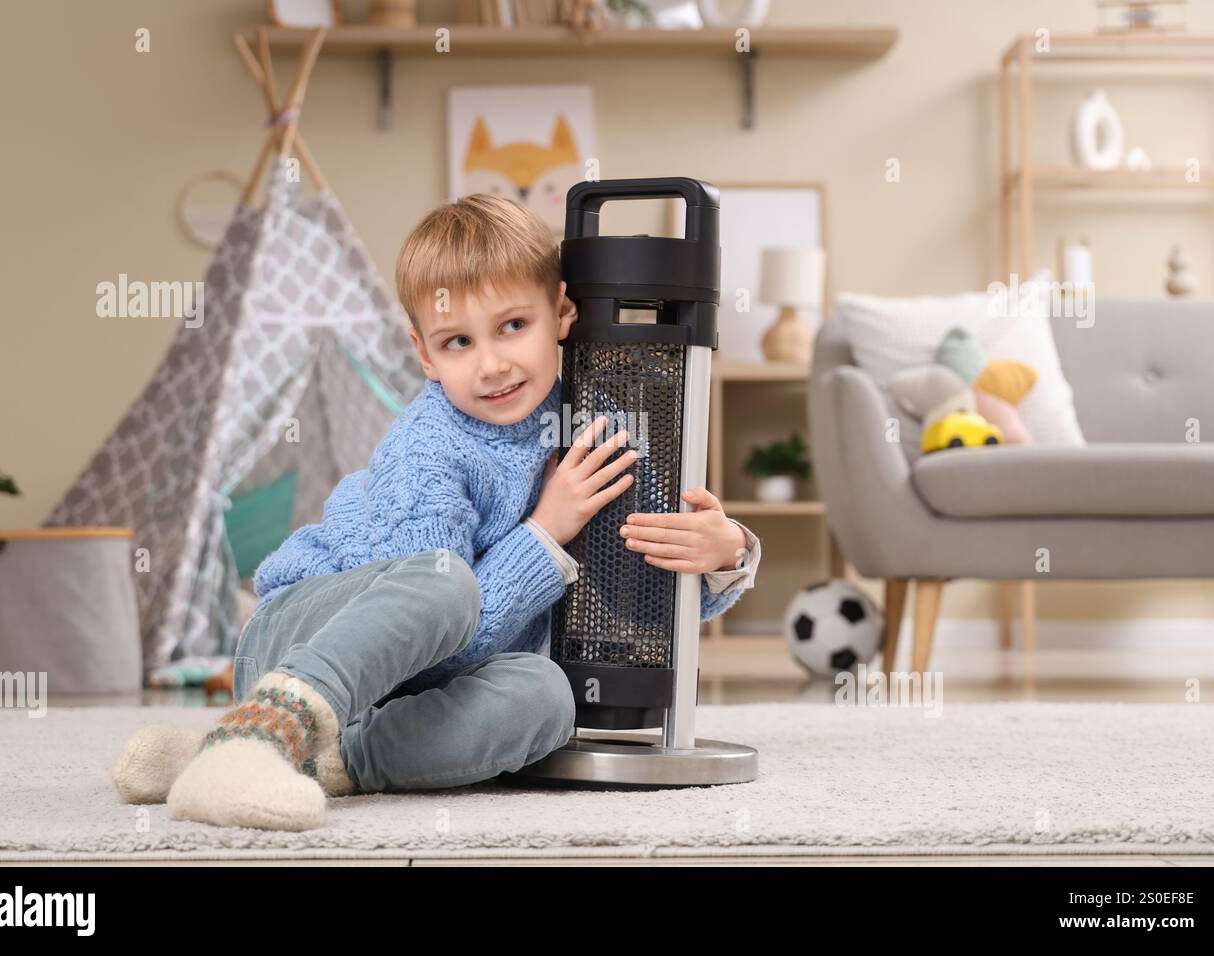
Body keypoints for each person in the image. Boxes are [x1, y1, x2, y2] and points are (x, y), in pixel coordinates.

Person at [111, 193, 761, 830]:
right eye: (458, 342)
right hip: (305, 644)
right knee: (443, 578)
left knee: (546, 698)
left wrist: (723, 553)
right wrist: (546, 532)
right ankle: (264, 732)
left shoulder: (591, 421)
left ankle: (295, 757)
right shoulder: (429, 445)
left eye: (513, 325)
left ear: (562, 312)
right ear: (425, 356)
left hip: (396, 705)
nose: (492, 363)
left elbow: (634, 598)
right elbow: (431, 642)